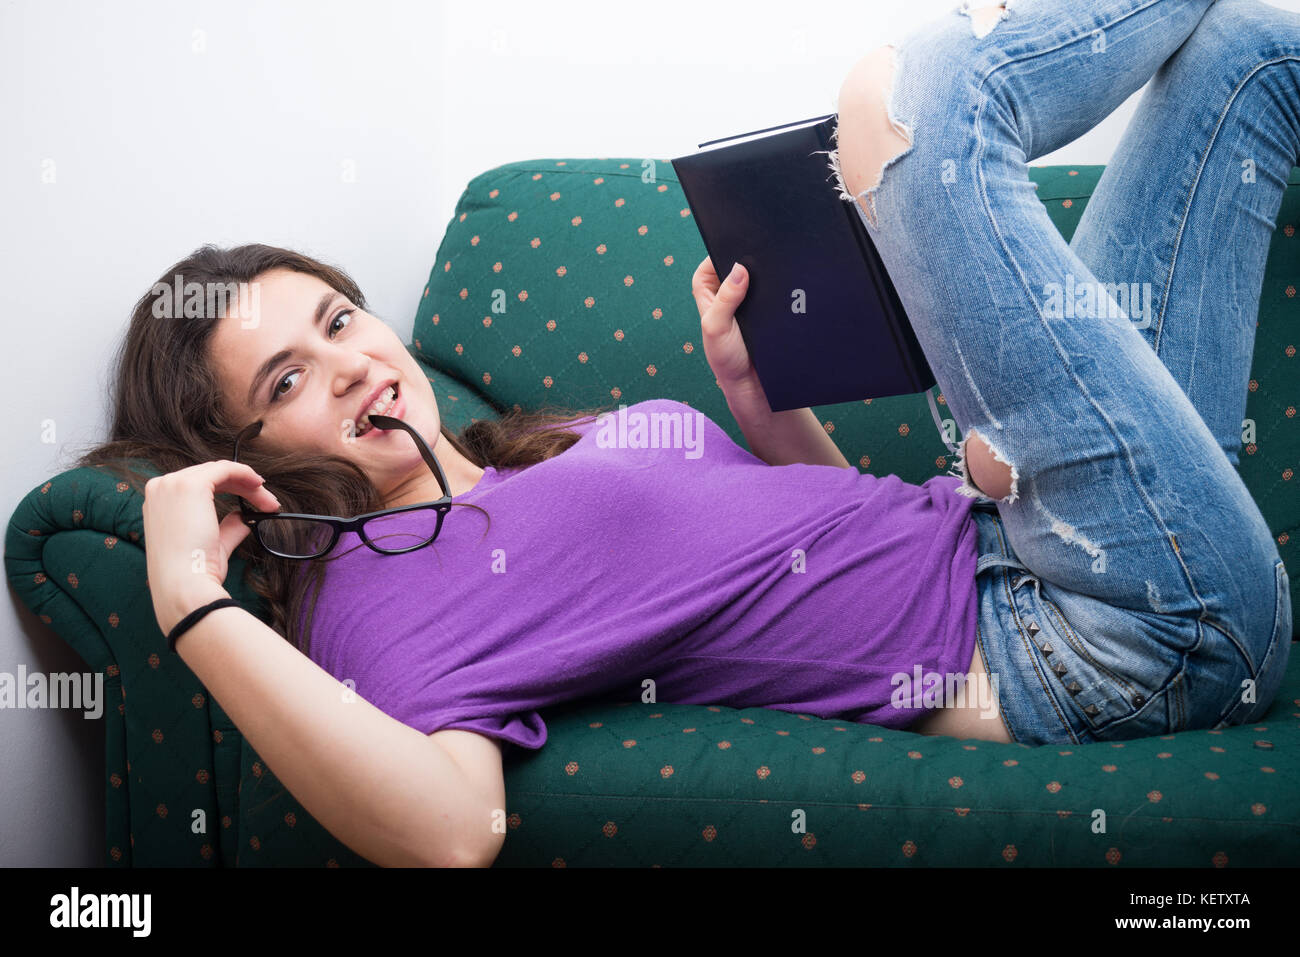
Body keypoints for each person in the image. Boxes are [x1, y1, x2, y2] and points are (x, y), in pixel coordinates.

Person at [77, 0, 1295, 869]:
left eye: (340, 318)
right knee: (910, 100)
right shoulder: (376, 593)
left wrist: (767, 415)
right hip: (1114, 634)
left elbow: (834, 564)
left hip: (1036, 534)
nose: (351, 365)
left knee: (1245, 58)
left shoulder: (533, 446)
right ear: (247, 456)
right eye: (288, 378)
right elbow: (452, 835)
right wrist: (192, 597)